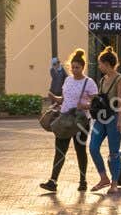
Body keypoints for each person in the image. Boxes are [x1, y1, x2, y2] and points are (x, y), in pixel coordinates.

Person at [40, 49, 97, 193]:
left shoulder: (89, 82)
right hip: (64, 120)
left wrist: (85, 105)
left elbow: (96, 104)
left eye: (77, 67)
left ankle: (83, 181)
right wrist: (55, 98)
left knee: (80, 151)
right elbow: (65, 99)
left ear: (82, 67)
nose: (74, 70)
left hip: (80, 121)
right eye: (72, 67)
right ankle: (53, 181)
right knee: (60, 151)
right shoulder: (68, 80)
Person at [87, 46, 121, 195]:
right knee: (93, 147)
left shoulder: (120, 80)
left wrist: (119, 121)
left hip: (114, 119)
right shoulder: (103, 79)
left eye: (100, 63)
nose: (99, 66)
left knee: (114, 153)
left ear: (107, 63)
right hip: (101, 118)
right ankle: (104, 178)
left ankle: (114, 183)